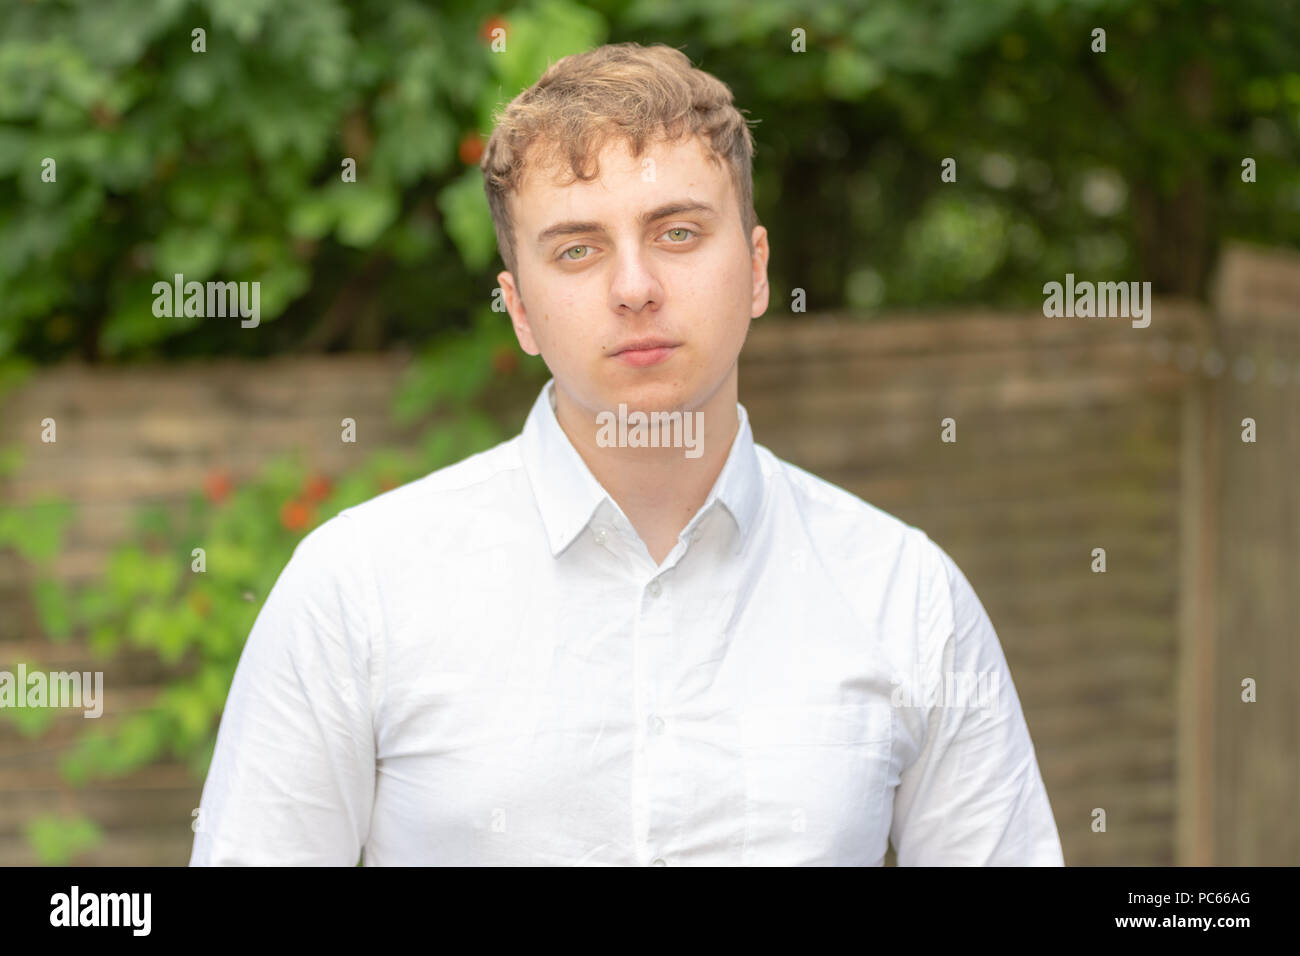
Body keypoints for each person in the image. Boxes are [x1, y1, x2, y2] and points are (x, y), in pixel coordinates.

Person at [190, 42, 1064, 866]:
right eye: (578, 249)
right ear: (520, 310)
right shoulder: (358, 592)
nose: (635, 287)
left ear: (757, 269)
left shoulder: (906, 598)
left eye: (678, 232)